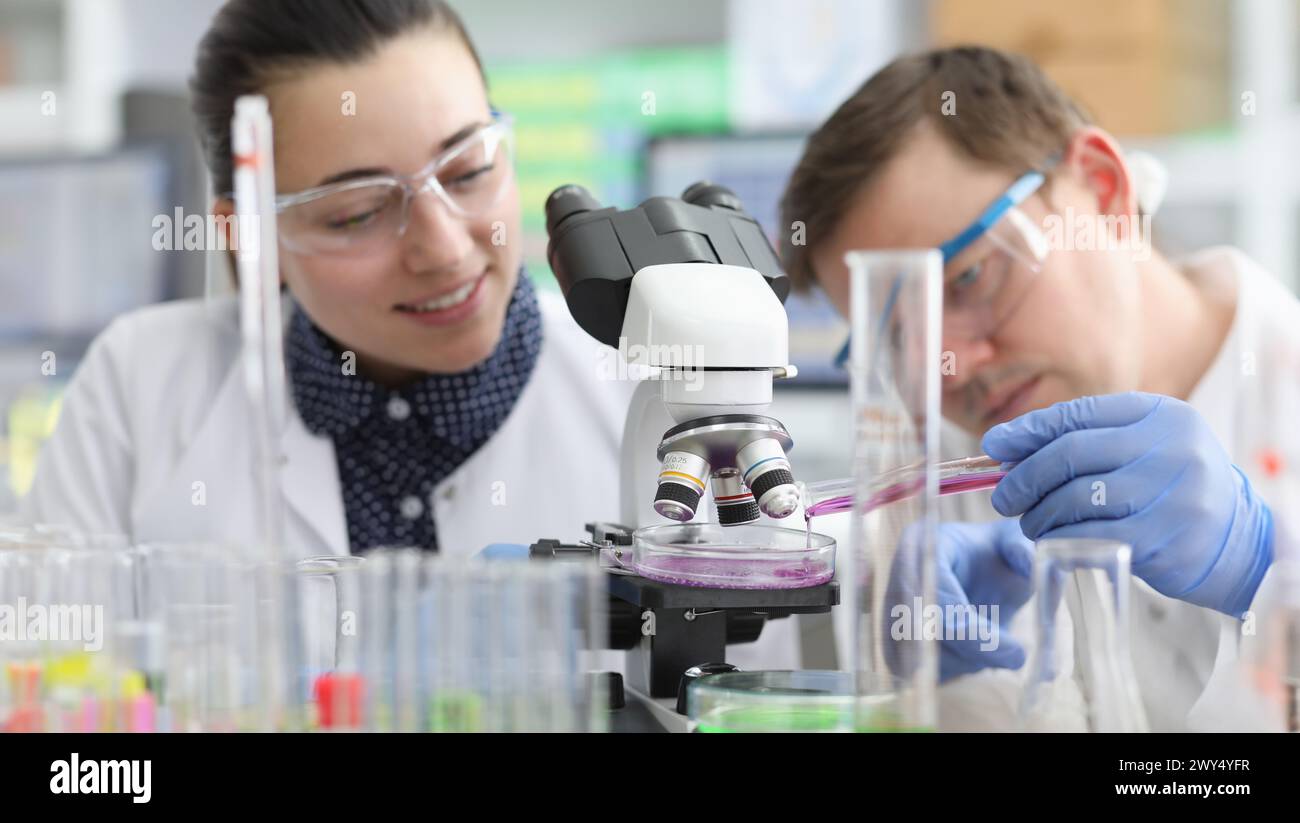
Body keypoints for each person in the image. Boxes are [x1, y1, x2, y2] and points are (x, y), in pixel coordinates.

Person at [780, 46, 1298, 729]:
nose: (951, 367)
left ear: (1104, 190)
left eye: (967, 279)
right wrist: (936, 695)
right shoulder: (949, 474)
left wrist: (1262, 573)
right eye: (900, 339)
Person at [23, 0, 635, 560]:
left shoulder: (644, 387)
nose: (445, 250)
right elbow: (51, 666)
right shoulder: (140, 388)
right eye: (359, 213)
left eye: (468, 169)